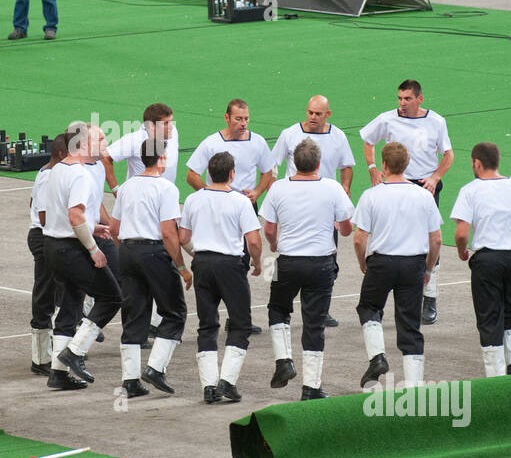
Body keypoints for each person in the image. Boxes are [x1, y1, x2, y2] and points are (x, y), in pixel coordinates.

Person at [260, 138, 355, 400]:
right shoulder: (333, 188)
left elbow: (268, 228)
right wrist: (337, 227)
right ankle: (311, 387)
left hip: (287, 261)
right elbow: (347, 228)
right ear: (319, 164)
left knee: (277, 308)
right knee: (315, 323)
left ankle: (283, 361)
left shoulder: (278, 188)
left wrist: (275, 243)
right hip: (322, 264)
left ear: (294, 163)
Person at [450, 142, 511, 377]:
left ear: (477, 163)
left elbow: (462, 232)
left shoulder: (471, 190)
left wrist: (462, 250)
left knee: (489, 315)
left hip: (488, 258)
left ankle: (495, 373)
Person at [360, 80, 452, 324]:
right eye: (399, 98)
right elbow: (368, 140)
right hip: (394, 183)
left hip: (425, 186)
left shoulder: (437, 121)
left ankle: (429, 297)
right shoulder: (387, 119)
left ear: (419, 99)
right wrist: (372, 168)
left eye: (407, 99)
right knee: (394, 237)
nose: (402, 103)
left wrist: (435, 177)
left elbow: (448, 155)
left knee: (430, 239)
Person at [351, 142, 442, 389]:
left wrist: (363, 263)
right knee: (410, 322)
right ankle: (413, 383)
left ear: (383, 165)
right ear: (406, 164)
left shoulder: (372, 195)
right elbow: (436, 239)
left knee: (369, 307)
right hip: (413, 264)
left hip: (381, 263)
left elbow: (359, 238)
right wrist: (428, 269)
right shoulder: (424, 195)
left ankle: (378, 356)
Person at [42, 123, 123, 391]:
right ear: (84, 145)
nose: (105, 144)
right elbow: (75, 215)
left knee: (70, 307)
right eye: (100, 139)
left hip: (54, 246)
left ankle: (58, 373)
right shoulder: (79, 174)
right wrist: (93, 249)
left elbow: (65, 215)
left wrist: (92, 226)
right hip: (72, 249)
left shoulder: (57, 169)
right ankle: (74, 352)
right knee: (112, 297)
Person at [108, 138, 191, 397]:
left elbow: (114, 229)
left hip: (128, 252)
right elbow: (168, 233)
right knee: (174, 312)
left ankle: (130, 380)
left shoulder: (127, 187)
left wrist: (129, 250)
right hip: (154, 253)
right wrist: (181, 266)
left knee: (135, 314)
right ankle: (156, 367)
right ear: (162, 158)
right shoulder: (166, 189)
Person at [179, 152, 263, 403]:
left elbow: (183, 238)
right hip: (230, 266)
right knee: (240, 323)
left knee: (207, 324)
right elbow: (254, 240)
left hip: (202, 264)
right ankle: (227, 380)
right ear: (232, 173)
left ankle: (208, 386)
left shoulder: (194, 199)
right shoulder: (240, 202)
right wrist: (256, 262)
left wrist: (201, 254)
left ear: (208, 173)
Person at [187, 99, 274, 335]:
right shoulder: (211, 143)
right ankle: (218, 318)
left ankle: (236, 316)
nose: (243, 123)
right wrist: (210, 194)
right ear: (227, 118)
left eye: (246, 118)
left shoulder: (257, 142)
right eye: (238, 119)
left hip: (245, 207)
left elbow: (269, 172)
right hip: (217, 208)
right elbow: (192, 174)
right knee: (223, 256)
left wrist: (257, 191)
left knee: (241, 261)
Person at [26, 135, 68, 377]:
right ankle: (41, 358)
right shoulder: (49, 176)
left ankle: (55, 347)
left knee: (58, 292)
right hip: (45, 237)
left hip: (49, 236)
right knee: (45, 294)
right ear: (62, 155)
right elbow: (43, 216)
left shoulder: (47, 172)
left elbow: (31, 202)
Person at [103, 103, 180, 191]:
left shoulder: (174, 132)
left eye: (171, 121)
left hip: (165, 195)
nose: (171, 127)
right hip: (139, 199)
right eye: (165, 123)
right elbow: (105, 157)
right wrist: (116, 189)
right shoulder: (134, 140)